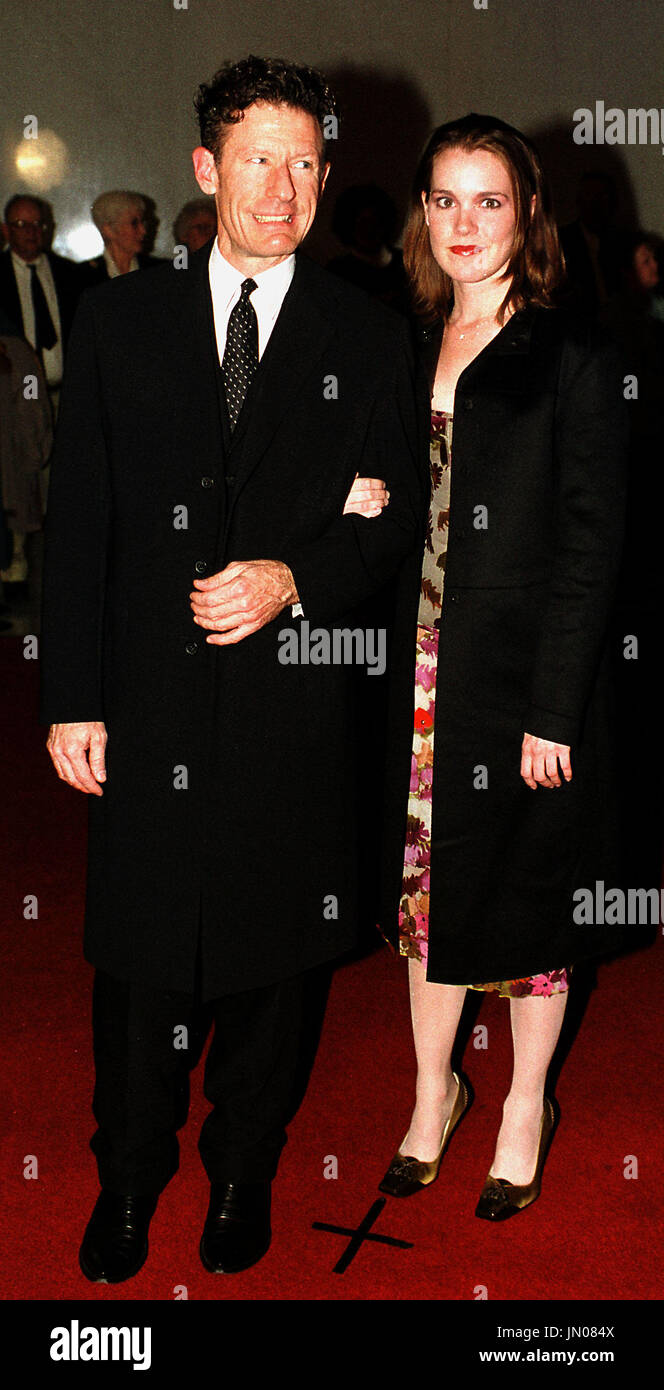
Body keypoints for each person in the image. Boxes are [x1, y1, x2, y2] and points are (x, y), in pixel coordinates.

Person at [39, 54, 424, 1282]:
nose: (284, 186)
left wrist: (294, 575)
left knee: (274, 962)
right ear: (205, 169)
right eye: (259, 158)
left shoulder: (367, 331)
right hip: (147, 703)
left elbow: (394, 521)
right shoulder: (121, 320)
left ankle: (244, 1172)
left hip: (294, 705)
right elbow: (81, 515)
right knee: (145, 957)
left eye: (307, 161)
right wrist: (72, 696)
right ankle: (129, 1179)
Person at [377, 114, 627, 1220]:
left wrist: (554, 710)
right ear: (419, 215)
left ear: (525, 213)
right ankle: (433, 1093)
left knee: (524, 898)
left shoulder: (573, 352)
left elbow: (592, 546)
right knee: (422, 901)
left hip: (521, 683)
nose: (464, 222)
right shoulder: (398, 342)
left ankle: (524, 1103)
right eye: (444, 199)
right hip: (413, 675)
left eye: (489, 199)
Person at [0, 196, 85, 577]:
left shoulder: (72, 275)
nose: (30, 232)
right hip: (14, 404)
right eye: (21, 225)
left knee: (64, 485)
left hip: (65, 393)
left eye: (37, 224)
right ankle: (15, 564)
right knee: (18, 482)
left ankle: (60, 568)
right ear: (6, 230)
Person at [328, 183, 409, 312]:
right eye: (363, 223)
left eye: (374, 222)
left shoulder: (407, 264)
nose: (369, 230)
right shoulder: (338, 272)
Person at [86, 191, 162, 280]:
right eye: (134, 223)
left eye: (143, 222)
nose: (143, 231)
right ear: (108, 230)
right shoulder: (83, 276)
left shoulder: (158, 271)